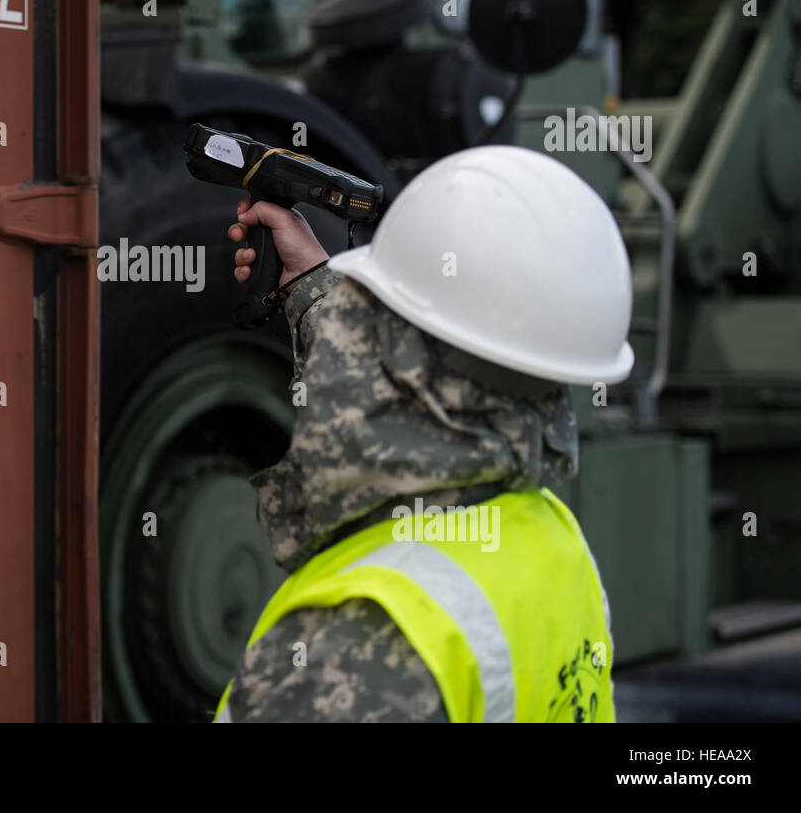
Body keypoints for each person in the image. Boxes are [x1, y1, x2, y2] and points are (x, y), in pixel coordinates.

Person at [215, 146, 633, 723]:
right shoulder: (551, 543)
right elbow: (424, 387)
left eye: (368, 306)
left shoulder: (354, 651)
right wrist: (310, 286)